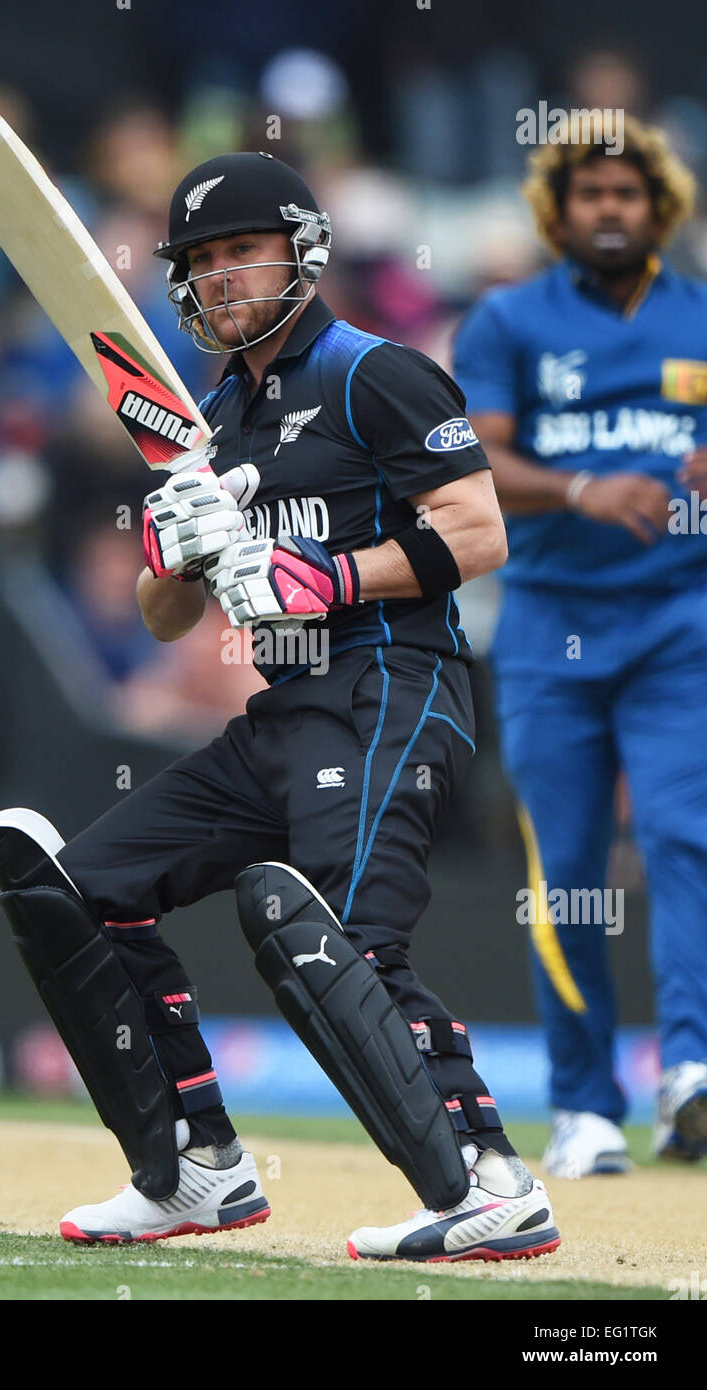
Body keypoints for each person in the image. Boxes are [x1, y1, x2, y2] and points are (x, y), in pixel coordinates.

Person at [0, 151, 560, 1262]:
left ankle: (491, 1177)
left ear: (301, 251)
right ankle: (197, 1165)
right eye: (197, 263)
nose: (216, 278)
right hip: (287, 709)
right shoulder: (209, 419)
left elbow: (480, 532)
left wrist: (326, 575)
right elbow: (161, 618)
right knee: (87, 891)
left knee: (343, 935)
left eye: (238, 252)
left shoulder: (373, 372)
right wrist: (171, 548)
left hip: (392, 685)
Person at [454, 116, 707, 1177]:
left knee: (685, 839)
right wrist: (578, 488)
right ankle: (582, 1105)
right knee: (563, 876)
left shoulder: (700, 313)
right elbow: (471, 458)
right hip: (549, 632)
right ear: (556, 211)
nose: (610, 209)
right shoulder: (508, 319)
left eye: (627, 194)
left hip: (680, 626)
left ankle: (690, 1071)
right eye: (589, 194)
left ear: (660, 208)